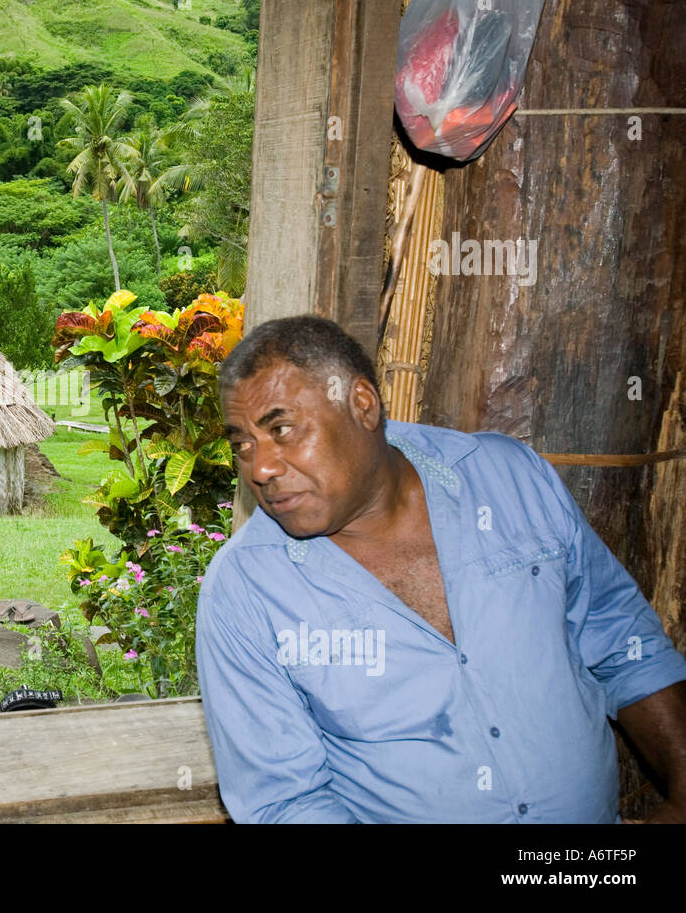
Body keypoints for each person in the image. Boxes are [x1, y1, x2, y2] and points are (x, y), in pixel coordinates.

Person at [196, 315, 686, 823]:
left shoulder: (508, 480)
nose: (261, 468)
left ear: (362, 405)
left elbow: (622, 637)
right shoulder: (245, 592)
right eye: (243, 444)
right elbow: (286, 804)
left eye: (281, 429)